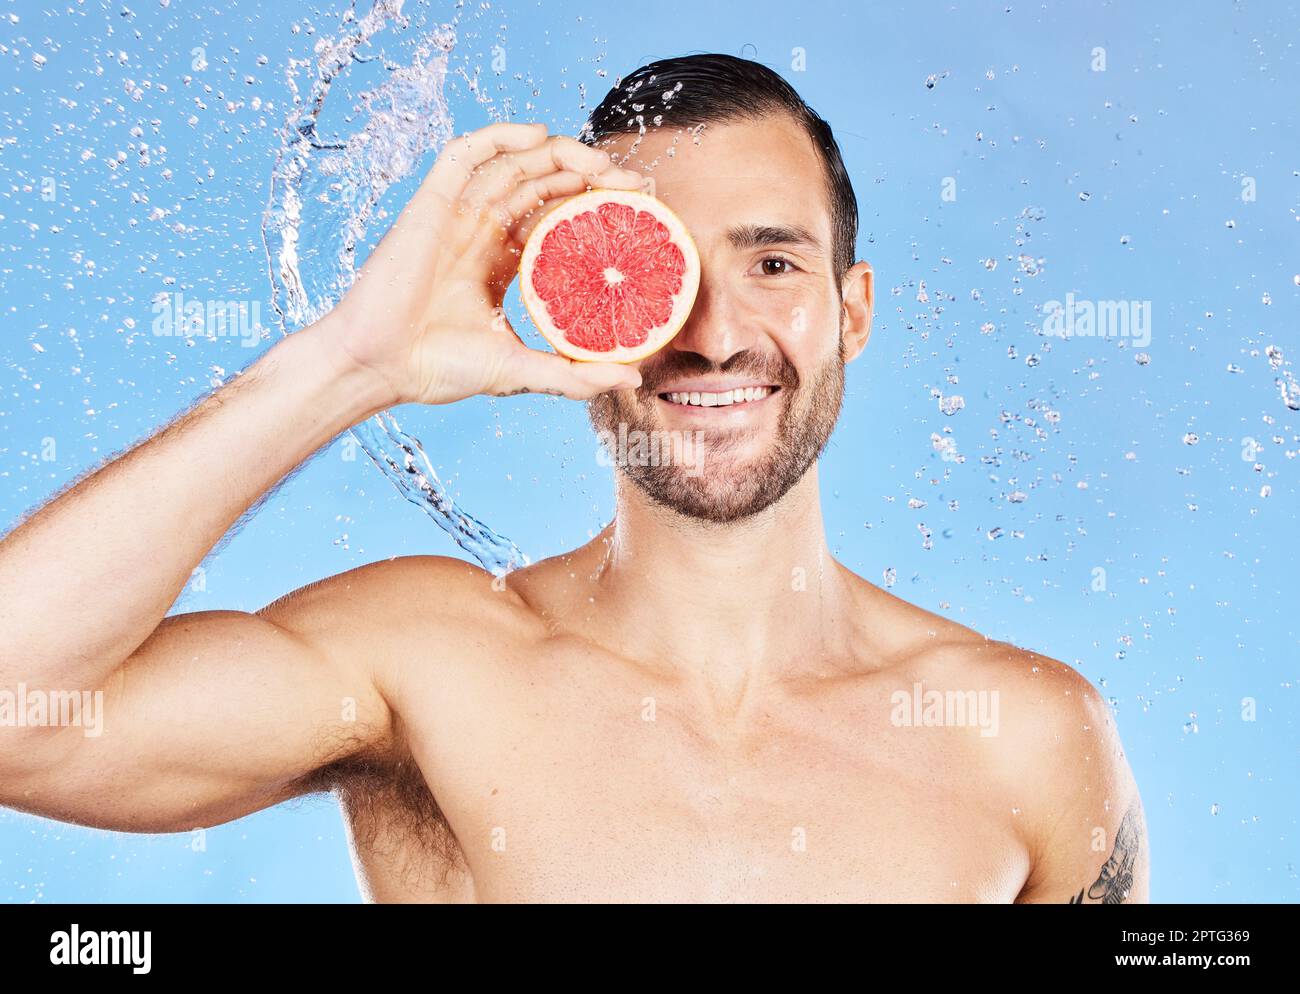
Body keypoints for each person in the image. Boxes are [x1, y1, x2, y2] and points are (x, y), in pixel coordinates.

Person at [0, 54, 1147, 902]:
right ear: (575, 303)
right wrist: (351, 362)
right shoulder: (428, 663)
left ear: (851, 312)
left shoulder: (1026, 733)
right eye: (660, 269)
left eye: (773, 261)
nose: (711, 334)